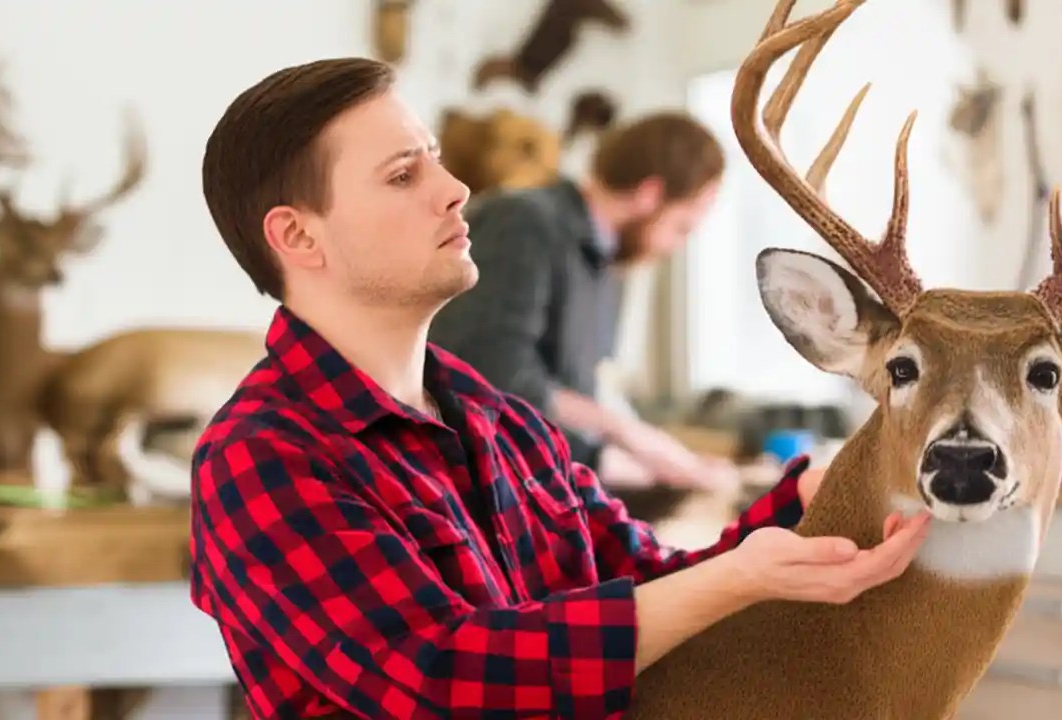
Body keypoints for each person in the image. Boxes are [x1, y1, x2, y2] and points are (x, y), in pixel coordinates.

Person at [191, 56, 932, 719]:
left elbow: (644, 579)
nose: (455, 190)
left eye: (437, 162)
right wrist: (738, 579)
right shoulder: (259, 458)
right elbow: (441, 678)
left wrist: (803, 506)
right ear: (297, 236)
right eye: (402, 175)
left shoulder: (502, 422)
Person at [428, 112, 730, 491]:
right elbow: (493, 372)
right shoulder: (524, 222)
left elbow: (579, 390)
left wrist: (662, 455)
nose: (674, 246)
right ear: (650, 194)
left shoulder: (600, 261)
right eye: (681, 227)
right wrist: (616, 438)